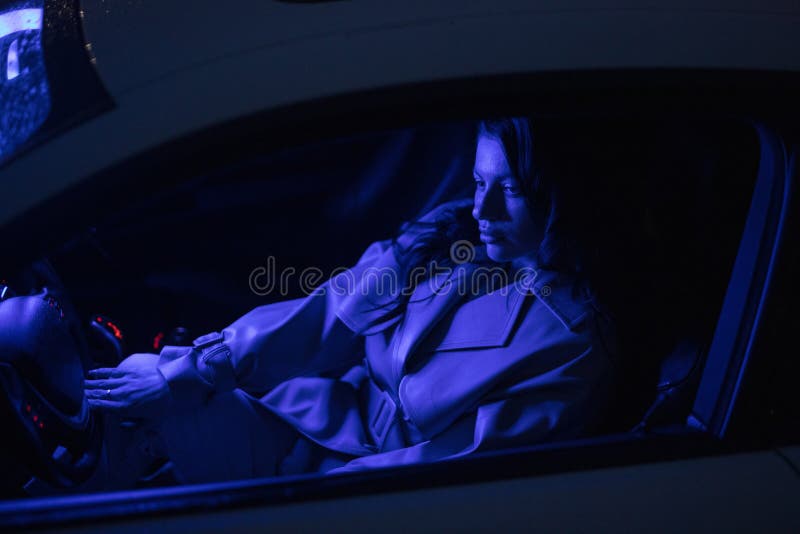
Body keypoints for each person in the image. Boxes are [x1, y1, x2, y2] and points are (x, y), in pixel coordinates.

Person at [83, 118, 617, 485]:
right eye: (479, 181)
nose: (485, 206)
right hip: (303, 430)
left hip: (351, 496)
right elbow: (326, 316)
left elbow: (445, 473)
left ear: (559, 192)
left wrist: (307, 505)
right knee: (143, 379)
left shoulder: (570, 343)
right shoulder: (450, 235)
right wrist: (196, 371)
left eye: (513, 189)